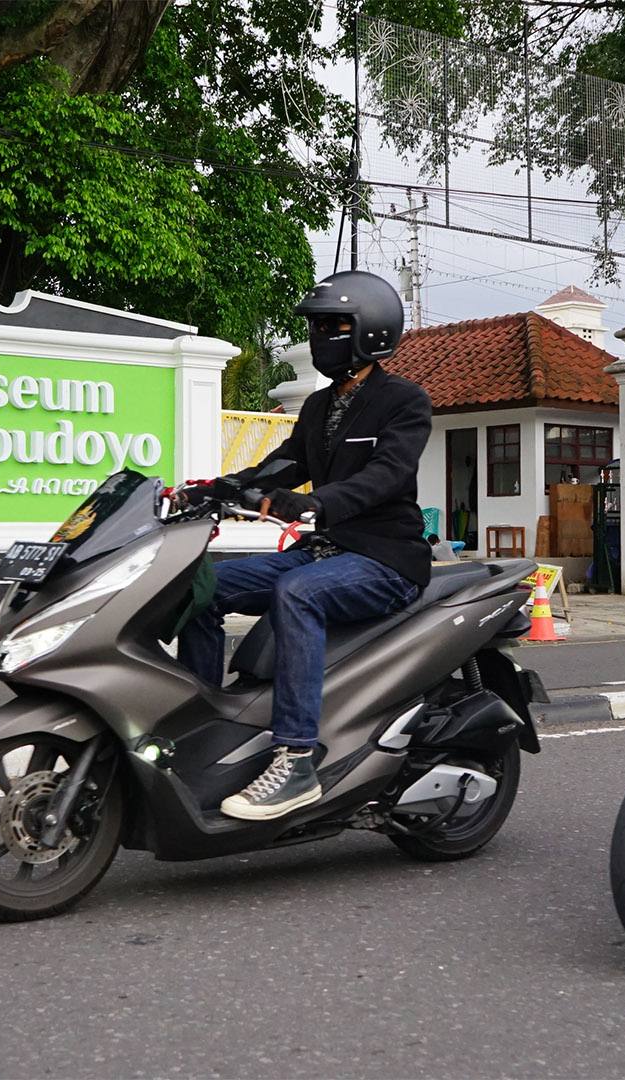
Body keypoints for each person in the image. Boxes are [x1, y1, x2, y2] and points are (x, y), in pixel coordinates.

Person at [177, 271, 432, 821]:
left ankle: (295, 759)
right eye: (317, 326)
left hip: (385, 558)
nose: (321, 336)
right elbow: (286, 464)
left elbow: (387, 474)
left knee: (298, 593)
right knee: (197, 589)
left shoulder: (403, 401)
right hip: (326, 550)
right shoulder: (317, 407)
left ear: (373, 332)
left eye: (335, 325)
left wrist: (319, 504)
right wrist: (220, 487)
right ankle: (203, 723)